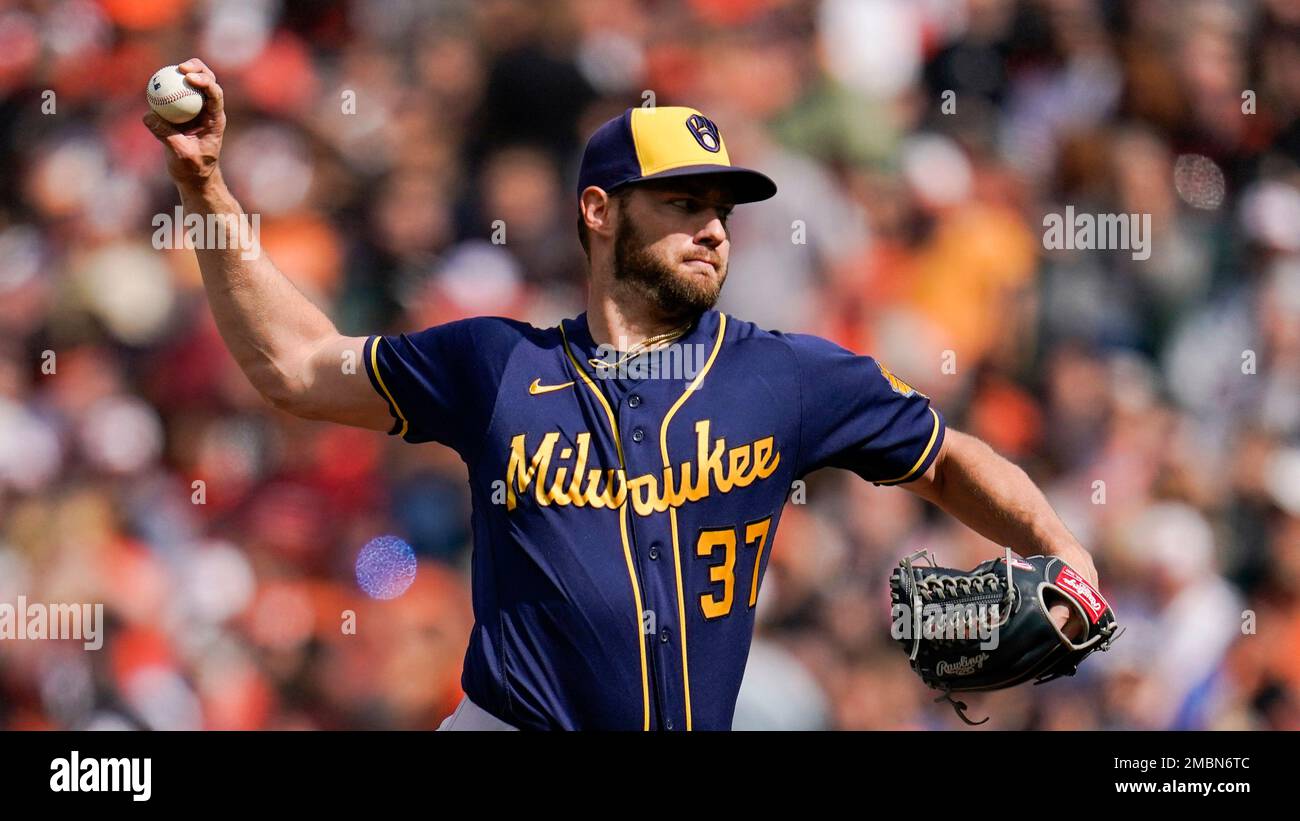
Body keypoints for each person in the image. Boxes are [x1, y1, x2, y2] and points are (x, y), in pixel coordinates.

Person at [144, 59, 1100, 731]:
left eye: (721, 211)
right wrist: (207, 191)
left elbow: (945, 455)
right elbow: (296, 367)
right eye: (683, 205)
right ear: (599, 212)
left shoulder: (786, 376)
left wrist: (1063, 553)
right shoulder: (494, 365)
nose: (714, 231)